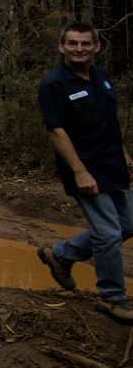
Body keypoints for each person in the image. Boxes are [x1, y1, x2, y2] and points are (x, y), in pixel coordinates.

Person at [36, 22, 133, 324]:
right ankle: (112, 297)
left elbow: (109, 121)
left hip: (113, 164)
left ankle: (61, 254)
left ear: (96, 47)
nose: (79, 49)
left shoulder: (101, 76)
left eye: (86, 43)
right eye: (73, 44)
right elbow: (55, 131)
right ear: (62, 47)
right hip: (85, 168)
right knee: (108, 232)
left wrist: (123, 152)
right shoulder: (54, 84)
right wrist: (79, 171)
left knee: (128, 224)